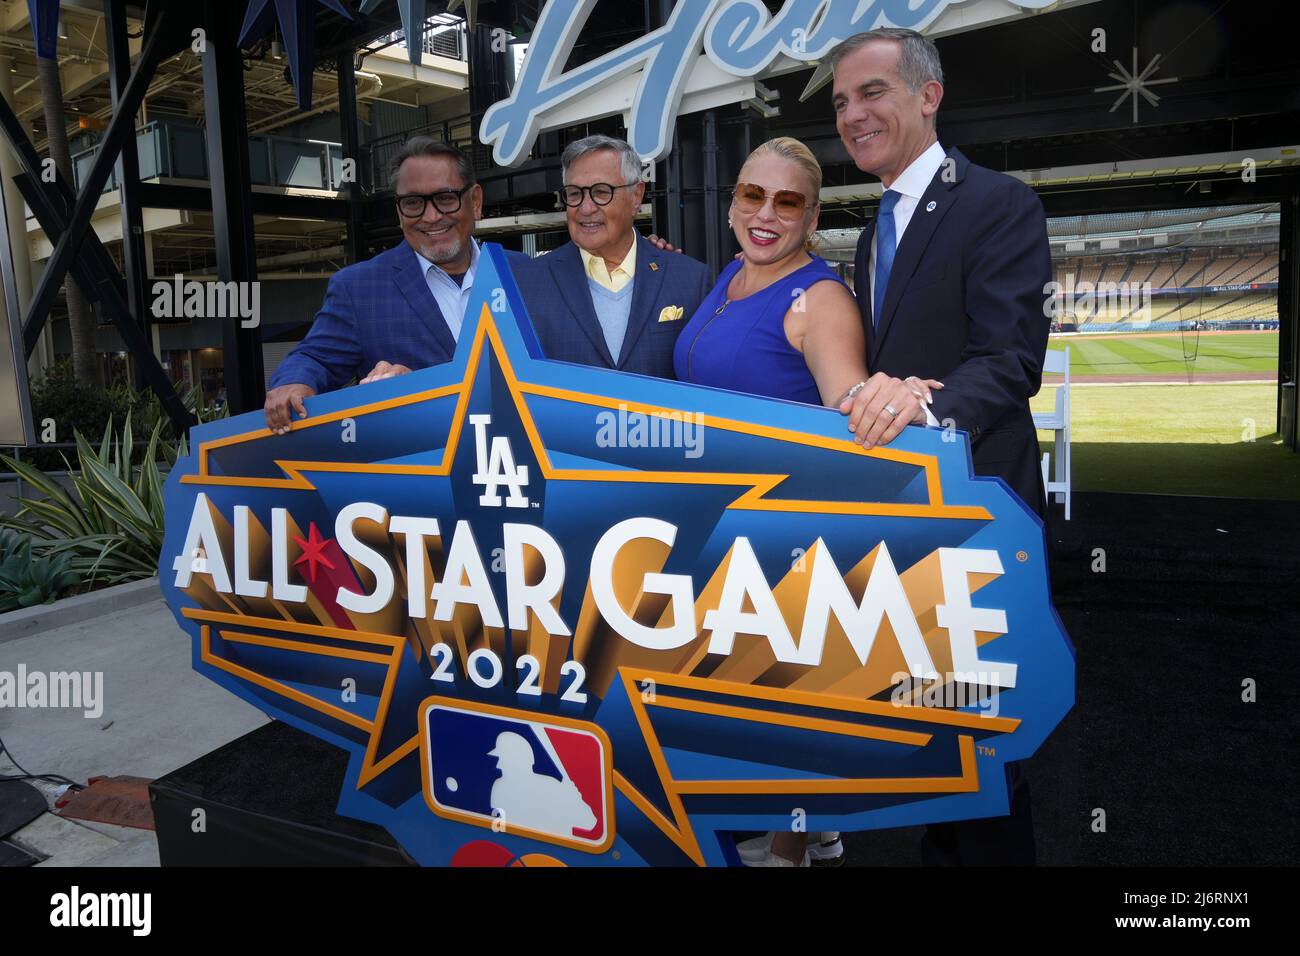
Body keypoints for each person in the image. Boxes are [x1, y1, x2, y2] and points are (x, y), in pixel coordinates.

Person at [672, 135, 940, 866]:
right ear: (731, 203)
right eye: (752, 195)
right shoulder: (729, 276)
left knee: (777, 691)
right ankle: (816, 822)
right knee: (732, 690)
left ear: (812, 215)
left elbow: (845, 404)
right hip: (716, 525)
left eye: (787, 202)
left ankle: (790, 847)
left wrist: (890, 399)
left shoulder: (818, 298)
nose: (766, 213)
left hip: (776, 533)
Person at [830, 27, 1052, 865]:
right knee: (930, 729)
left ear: (929, 95)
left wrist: (924, 407)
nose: (854, 114)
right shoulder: (870, 231)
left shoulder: (998, 203)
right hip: (908, 522)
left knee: (989, 744)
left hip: (979, 516)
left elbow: (1009, 361)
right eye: (844, 102)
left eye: (873, 92)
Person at [264, 137, 509, 434]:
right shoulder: (358, 289)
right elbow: (315, 358)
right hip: (423, 472)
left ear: (476, 201)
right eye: (413, 203)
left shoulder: (524, 275)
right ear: (398, 210)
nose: (431, 217)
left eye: (446, 198)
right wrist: (295, 382)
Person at [512, 135, 711, 377]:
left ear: (636, 196)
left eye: (601, 192)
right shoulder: (526, 284)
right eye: (575, 194)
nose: (586, 208)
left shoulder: (690, 279)